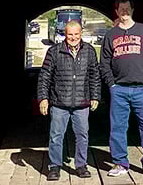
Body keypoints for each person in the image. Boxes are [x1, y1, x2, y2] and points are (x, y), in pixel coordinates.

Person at [100, 0, 143, 177]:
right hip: (119, 88)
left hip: (142, 88)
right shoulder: (111, 35)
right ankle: (120, 163)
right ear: (116, 12)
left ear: (132, 10)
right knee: (118, 127)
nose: (124, 12)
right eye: (121, 9)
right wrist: (111, 84)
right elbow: (104, 62)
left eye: (127, 9)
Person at [37, 20, 101, 180]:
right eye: (70, 34)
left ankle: (81, 165)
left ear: (81, 33)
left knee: (82, 135)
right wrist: (43, 98)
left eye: (76, 34)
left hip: (81, 102)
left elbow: (94, 75)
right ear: (65, 34)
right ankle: (54, 167)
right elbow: (44, 76)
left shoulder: (89, 51)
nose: (73, 37)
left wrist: (95, 96)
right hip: (59, 102)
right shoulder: (54, 51)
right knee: (56, 135)